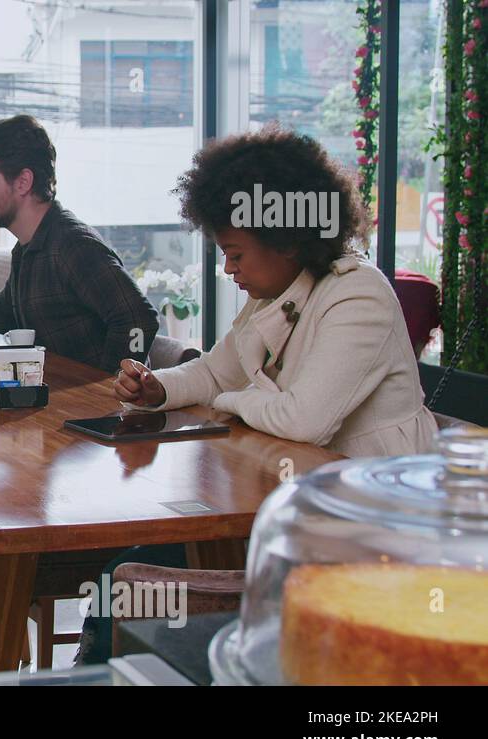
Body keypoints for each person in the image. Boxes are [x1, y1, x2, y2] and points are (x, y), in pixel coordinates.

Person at [79, 124, 438, 664]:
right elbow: (213, 373)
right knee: (124, 579)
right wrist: (155, 390)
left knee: (131, 585)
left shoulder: (357, 294)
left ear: (288, 240)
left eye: (236, 253)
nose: (228, 269)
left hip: (370, 537)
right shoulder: (280, 290)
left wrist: (229, 400)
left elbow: (303, 420)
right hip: (297, 513)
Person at [0, 115, 158, 373]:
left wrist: (109, 391)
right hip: (54, 403)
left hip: (88, 409)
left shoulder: (72, 245)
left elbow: (138, 319)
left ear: (23, 182)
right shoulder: (28, 246)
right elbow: (4, 312)